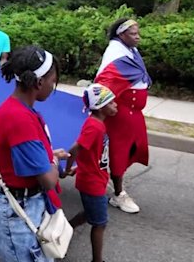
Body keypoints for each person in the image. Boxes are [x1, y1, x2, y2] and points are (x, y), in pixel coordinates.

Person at [0, 45, 66, 262]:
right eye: (53, 81)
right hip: (16, 217)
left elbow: (25, 152)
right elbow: (48, 180)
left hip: (22, 209)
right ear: (39, 83)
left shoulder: (16, 109)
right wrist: (54, 160)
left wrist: (47, 156)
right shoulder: (20, 118)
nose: (53, 86)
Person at [94, 18, 152, 214]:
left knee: (133, 148)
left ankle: (110, 181)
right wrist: (107, 105)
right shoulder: (115, 53)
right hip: (121, 112)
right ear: (121, 35)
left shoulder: (130, 51)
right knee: (119, 151)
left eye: (138, 33)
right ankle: (118, 194)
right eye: (133, 34)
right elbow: (104, 82)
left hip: (133, 112)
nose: (138, 37)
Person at [62, 83, 118, 262]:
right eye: (111, 102)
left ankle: (66, 229)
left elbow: (90, 153)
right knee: (100, 223)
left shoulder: (98, 124)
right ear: (100, 107)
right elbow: (76, 147)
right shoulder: (95, 126)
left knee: (90, 213)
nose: (115, 105)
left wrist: (79, 167)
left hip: (95, 178)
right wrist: (67, 167)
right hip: (92, 183)